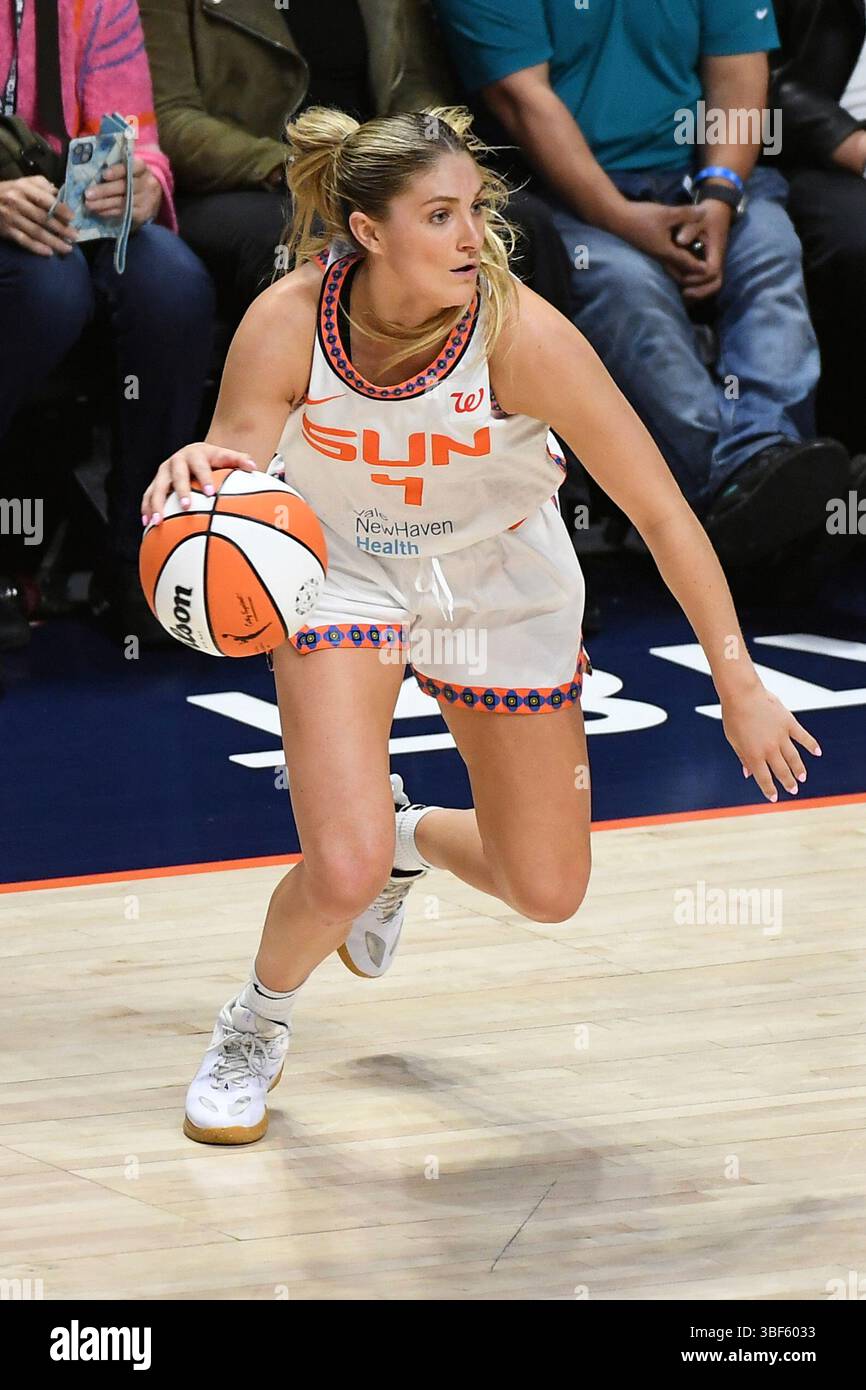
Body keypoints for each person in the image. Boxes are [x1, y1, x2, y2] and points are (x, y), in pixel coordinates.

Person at [142, 107, 822, 1146]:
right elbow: (232, 466)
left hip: (494, 574)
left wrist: (736, 681)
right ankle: (254, 1023)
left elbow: (661, 513)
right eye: (442, 214)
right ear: (368, 232)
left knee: (545, 888)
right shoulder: (286, 321)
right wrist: (189, 477)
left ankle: (410, 837)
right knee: (339, 867)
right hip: (346, 568)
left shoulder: (520, 334)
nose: (475, 238)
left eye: (479, 210)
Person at [431, 0, 853, 570]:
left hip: (704, 179)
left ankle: (761, 475)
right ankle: (741, 493)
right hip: (567, 196)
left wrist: (722, 196)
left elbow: (739, 70)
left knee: (770, 256)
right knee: (632, 296)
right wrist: (621, 216)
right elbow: (523, 101)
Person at [139, 0, 578, 332]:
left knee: (526, 220)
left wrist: (410, 157)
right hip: (252, 181)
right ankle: (320, 423)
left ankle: (534, 417)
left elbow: (418, 86)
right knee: (301, 232)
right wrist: (287, 164)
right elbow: (172, 118)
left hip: (384, 167)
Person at [0, 0, 215, 641]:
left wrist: (143, 182)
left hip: (63, 209)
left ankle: (139, 556)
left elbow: (137, 137)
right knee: (47, 289)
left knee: (171, 286)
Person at [771, 0, 866, 476]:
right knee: (857, 241)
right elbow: (766, 79)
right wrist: (854, 145)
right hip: (825, 152)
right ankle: (845, 463)